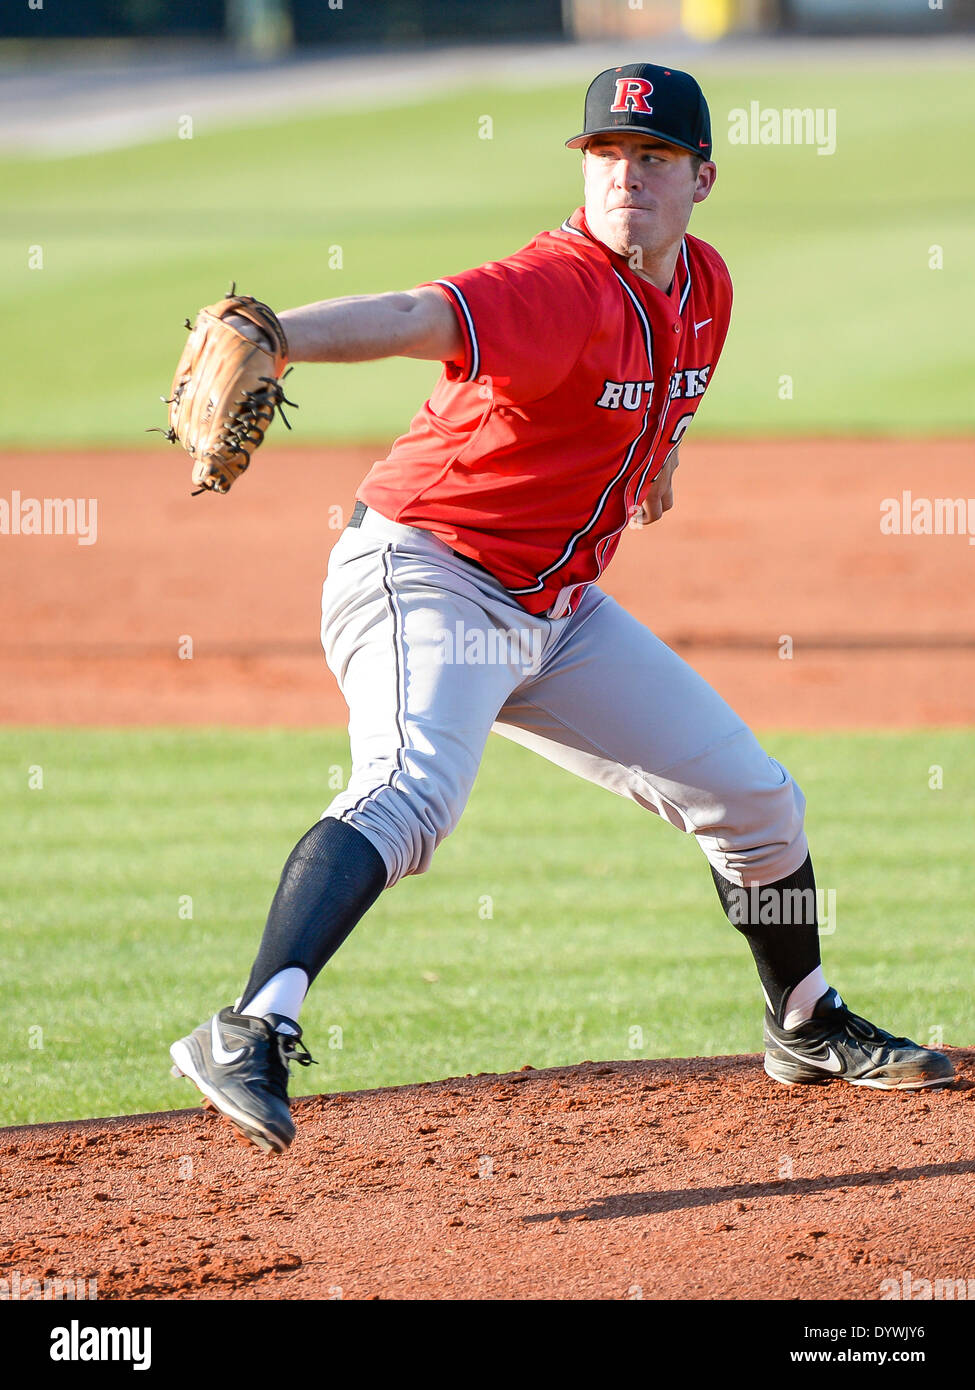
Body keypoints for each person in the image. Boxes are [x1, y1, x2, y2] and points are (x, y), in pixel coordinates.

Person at [169, 63, 954, 1155]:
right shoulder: (554, 285)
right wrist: (276, 330)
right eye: (605, 156)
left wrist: (659, 456)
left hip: (556, 609)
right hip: (427, 574)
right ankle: (250, 1023)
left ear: (701, 179)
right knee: (409, 794)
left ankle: (804, 1020)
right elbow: (414, 313)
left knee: (758, 803)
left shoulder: (706, 287)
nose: (625, 175)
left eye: (654, 157)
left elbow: (663, 392)